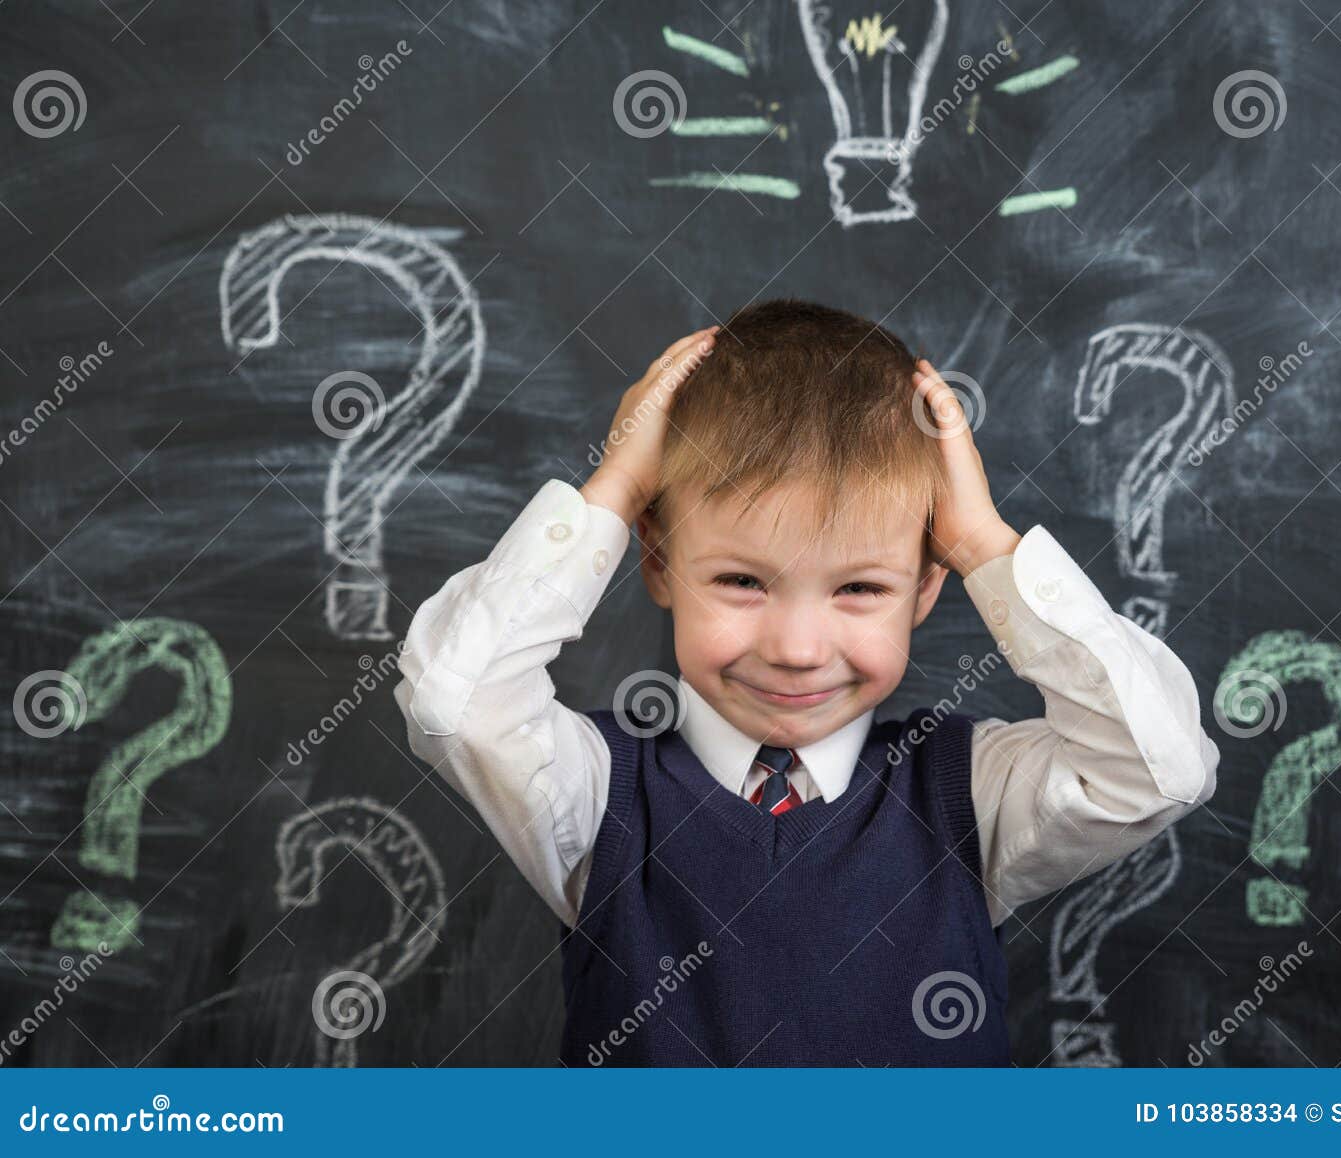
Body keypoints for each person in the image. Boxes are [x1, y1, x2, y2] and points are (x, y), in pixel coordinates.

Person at [395, 298, 1220, 1065]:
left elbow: (1159, 768)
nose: (796, 648)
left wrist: (983, 546)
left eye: (860, 588)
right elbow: (455, 700)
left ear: (928, 586)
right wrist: (614, 490)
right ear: (656, 560)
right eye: (742, 583)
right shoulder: (595, 795)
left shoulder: (967, 792)